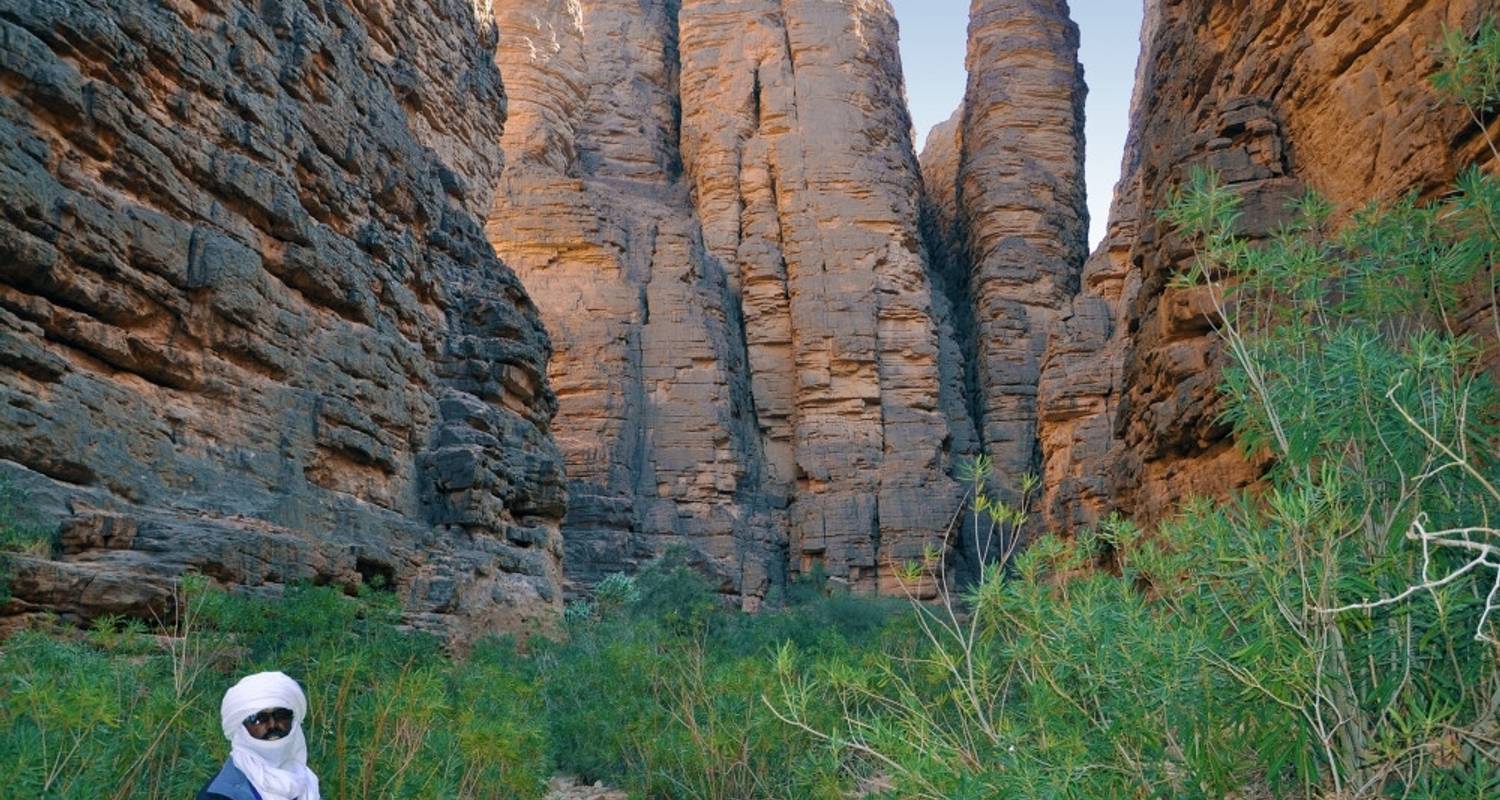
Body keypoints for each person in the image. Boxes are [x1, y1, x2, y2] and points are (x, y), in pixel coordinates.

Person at [197, 671, 322, 800]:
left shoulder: (308, 784)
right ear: (241, 728)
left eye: (281, 715)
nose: (272, 725)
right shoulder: (217, 795)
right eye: (259, 719)